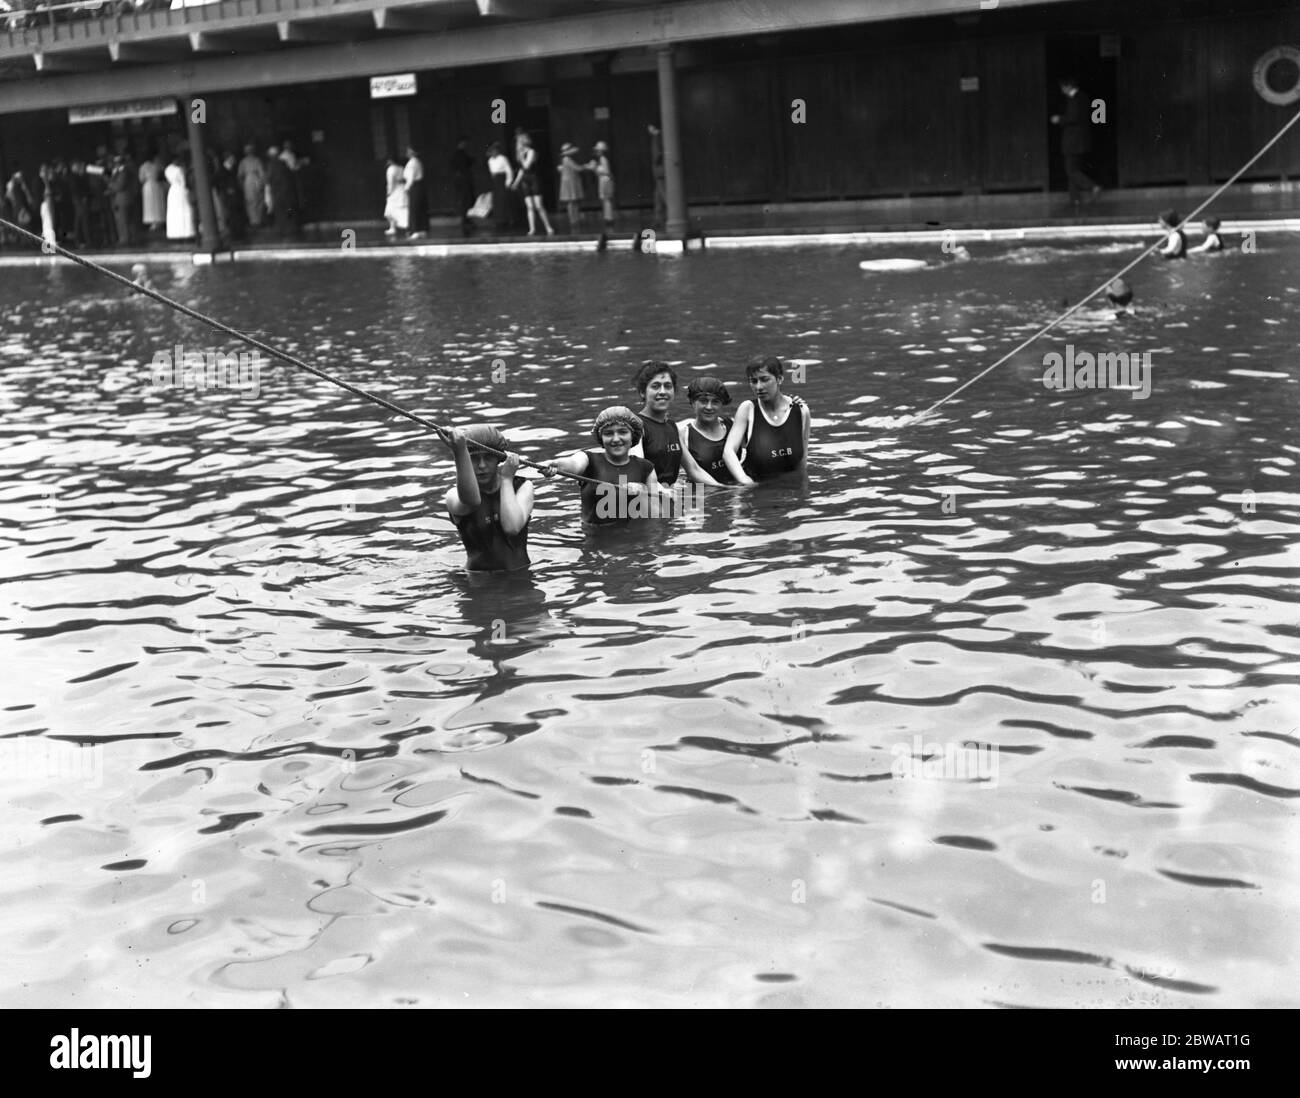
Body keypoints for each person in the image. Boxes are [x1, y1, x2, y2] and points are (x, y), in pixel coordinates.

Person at [547, 406, 663, 526]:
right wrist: (558, 465)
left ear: (633, 435)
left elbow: (657, 514)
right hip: (594, 536)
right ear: (600, 437)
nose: (616, 439)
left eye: (623, 432)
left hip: (633, 537)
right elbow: (574, 464)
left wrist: (642, 492)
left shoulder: (646, 468)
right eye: (608, 433)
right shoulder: (588, 460)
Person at [444, 425, 534, 572]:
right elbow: (472, 501)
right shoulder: (454, 496)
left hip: (521, 579)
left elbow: (512, 527)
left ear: (499, 459)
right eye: (473, 459)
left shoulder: (523, 487)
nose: (482, 465)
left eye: (488, 457)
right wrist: (460, 451)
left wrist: (506, 479)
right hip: (479, 582)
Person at [724, 356, 811, 486]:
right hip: (755, 488)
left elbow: (802, 462)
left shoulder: (802, 411)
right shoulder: (748, 409)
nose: (759, 387)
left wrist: (803, 493)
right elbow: (729, 451)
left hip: (787, 490)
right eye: (753, 381)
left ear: (780, 379)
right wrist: (745, 481)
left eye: (765, 380)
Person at [1050, 76, 1100, 209]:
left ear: (1068, 86)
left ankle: (1092, 186)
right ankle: (1075, 199)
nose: (1062, 91)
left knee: (1071, 170)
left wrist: (1059, 119)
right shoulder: (1082, 97)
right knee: (1073, 169)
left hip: (1074, 141)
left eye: (1063, 88)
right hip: (1080, 139)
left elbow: (1073, 117)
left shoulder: (1075, 99)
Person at [630, 361, 682, 485]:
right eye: (656, 386)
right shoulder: (635, 426)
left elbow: (694, 469)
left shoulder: (672, 426)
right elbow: (639, 471)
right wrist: (662, 492)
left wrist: (725, 487)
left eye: (668, 386)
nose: (663, 391)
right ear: (643, 392)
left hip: (669, 496)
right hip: (647, 497)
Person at [677, 377, 735, 486]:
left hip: (734, 491)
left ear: (722, 403)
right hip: (704, 494)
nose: (709, 407)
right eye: (703, 401)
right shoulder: (684, 436)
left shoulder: (732, 427)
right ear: (693, 402)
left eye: (715, 402)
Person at [512, 132, 554, 236]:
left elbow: (526, 166)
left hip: (534, 179)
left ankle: (548, 227)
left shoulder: (531, 151)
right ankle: (532, 229)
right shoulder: (520, 154)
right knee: (529, 206)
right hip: (525, 181)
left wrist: (521, 156)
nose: (517, 144)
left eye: (518, 142)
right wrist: (516, 182)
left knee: (539, 205)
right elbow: (522, 170)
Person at [266, 147, 297, 239]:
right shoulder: (283, 163)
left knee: (279, 212)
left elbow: (268, 178)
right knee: (286, 210)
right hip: (286, 191)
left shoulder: (271, 165)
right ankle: (288, 230)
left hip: (278, 191)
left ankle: (281, 231)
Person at [585, 140, 615, 229]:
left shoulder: (603, 159)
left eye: (598, 150)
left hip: (605, 180)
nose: (596, 152)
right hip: (603, 180)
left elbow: (606, 171)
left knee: (607, 200)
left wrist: (596, 168)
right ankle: (607, 217)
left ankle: (609, 218)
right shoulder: (602, 159)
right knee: (605, 200)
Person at [164, 155, 194, 240]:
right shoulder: (179, 169)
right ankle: (185, 231)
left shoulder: (167, 169)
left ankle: (174, 232)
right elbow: (183, 181)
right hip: (180, 190)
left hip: (172, 190)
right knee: (183, 209)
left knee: (174, 211)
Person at [107, 155, 135, 246]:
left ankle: (125, 239)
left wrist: (110, 185)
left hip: (123, 199)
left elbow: (119, 186)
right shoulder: (120, 171)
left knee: (123, 220)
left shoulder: (123, 172)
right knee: (122, 220)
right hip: (120, 199)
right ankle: (124, 238)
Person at [451, 137, 475, 237]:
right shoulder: (460, 154)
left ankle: (467, 220)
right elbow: (467, 163)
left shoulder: (459, 154)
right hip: (463, 181)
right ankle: (465, 221)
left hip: (461, 180)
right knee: (465, 201)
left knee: (465, 201)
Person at [237, 143, 265, 229]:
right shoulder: (243, 161)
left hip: (254, 180)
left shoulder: (256, 160)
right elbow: (240, 175)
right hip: (249, 180)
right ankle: (254, 221)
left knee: (258, 200)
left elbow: (261, 173)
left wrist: (261, 182)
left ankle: (258, 220)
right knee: (251, 201)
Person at [556, 142, 583, 232]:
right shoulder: (567, 159)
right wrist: (588, 166)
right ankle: (573, 220)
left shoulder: (566, 159)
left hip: (570, 181)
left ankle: (575, 219)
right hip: (569, 183)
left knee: (573, 201)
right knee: (571, 202)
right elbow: (577, 168)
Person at [487, 142, 513, 235]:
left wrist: (508, 182)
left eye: (495, 150)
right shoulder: (490, 160)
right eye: (492, 151)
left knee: (503, 200)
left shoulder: (503, 158)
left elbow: (509, 170)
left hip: (502, 179)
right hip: (495, 181)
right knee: (496, 200)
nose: (493, 152)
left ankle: (507, 220)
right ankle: (498, 221)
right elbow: (492, 172)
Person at [404, 145, 427, 239]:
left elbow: (410, 178)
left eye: (409, 151)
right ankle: (421, 229)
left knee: (414, 208)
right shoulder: (417, 161)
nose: (407, 153)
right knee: (419, 207)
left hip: (414, 187)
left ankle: (415, 231)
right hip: (419, 186)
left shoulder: (412, 163)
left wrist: (406, 188)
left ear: (412, 152)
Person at [139, 153, 166, 233]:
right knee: (157, 204)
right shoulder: (156, 165)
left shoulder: (143, 166)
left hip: (148, 186)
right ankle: (158, 221)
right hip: (156, 185)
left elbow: (141, 178)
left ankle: (153, 222)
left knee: (150, 205)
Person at [382, 154, 408, 236]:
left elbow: (391, 182)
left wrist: (389, 192)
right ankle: (408, 228)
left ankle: (392, 228)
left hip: (395, 190)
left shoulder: (391, 169)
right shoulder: (401, 168)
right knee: (402, 209)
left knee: (390, 209)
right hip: (402, 189)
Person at [648, 123, 666, 229]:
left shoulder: (657, 138)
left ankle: (661, 219)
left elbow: (657, 154)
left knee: (663, 195)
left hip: (659, 171)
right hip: (660, 172)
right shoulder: (659, 137)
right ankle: (658, 219)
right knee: (658, 197)